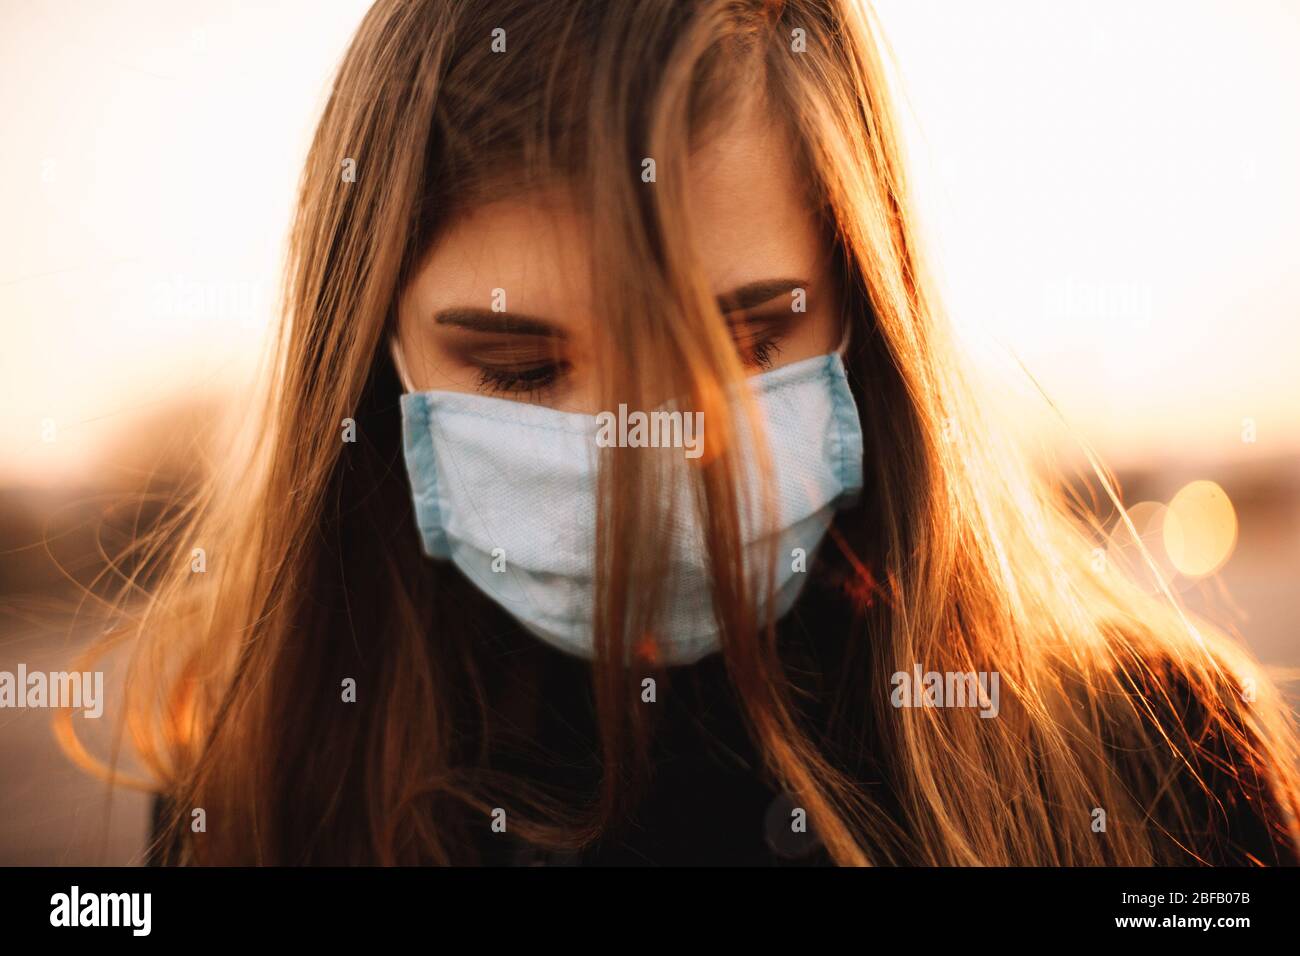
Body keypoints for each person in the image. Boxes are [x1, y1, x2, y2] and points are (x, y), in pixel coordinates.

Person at [75, 0, 1300, 866]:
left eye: (745, 339)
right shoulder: (255, 786)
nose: (644, 460)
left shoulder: (1157, 768)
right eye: (520, 365)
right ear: (372, 359)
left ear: (867, 309)